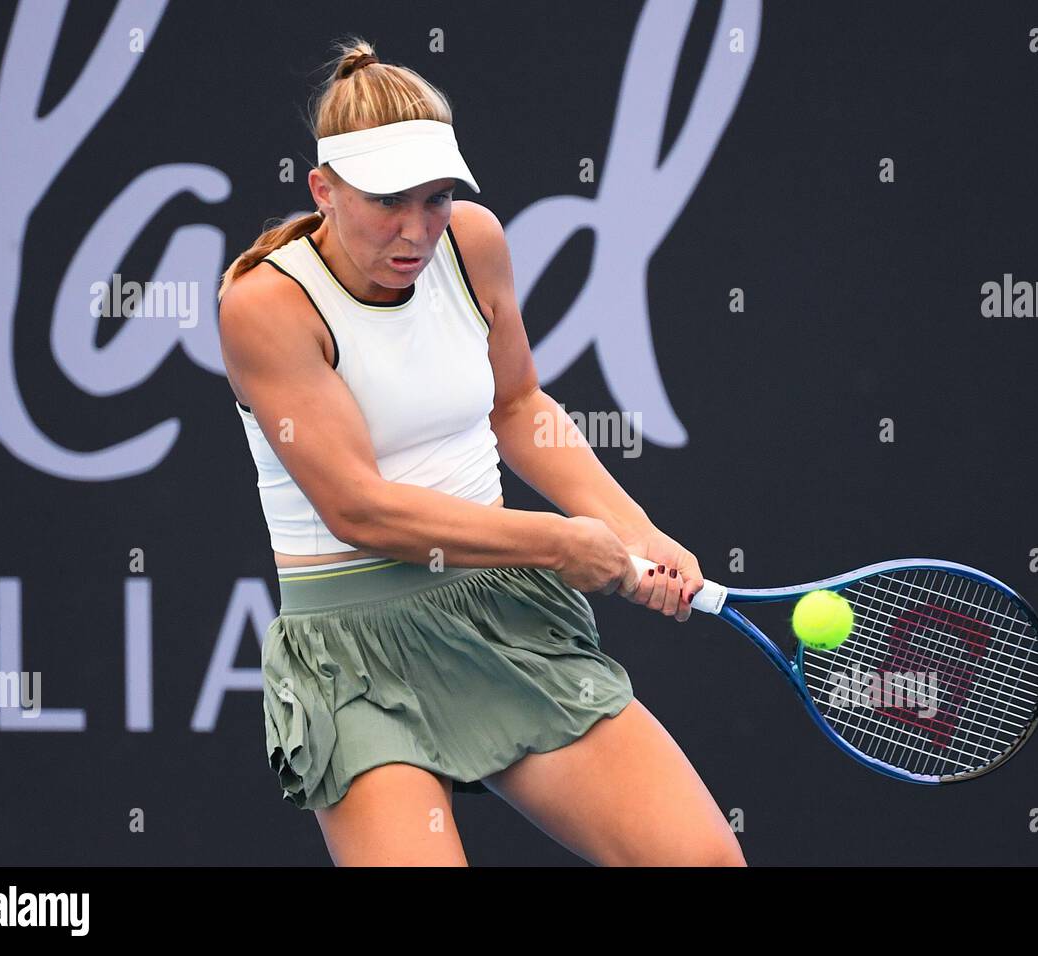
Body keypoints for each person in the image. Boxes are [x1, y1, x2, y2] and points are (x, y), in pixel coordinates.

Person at [216, 38, 745, 867]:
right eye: (388, 201)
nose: (417, 230)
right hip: (353, 657)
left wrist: (632, 527)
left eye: (436, 198)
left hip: (499, 616)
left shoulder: (473, 243)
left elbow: (516, 404)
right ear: (322, 190)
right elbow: (356, 508)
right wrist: (559, 541)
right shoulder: (266, 304)